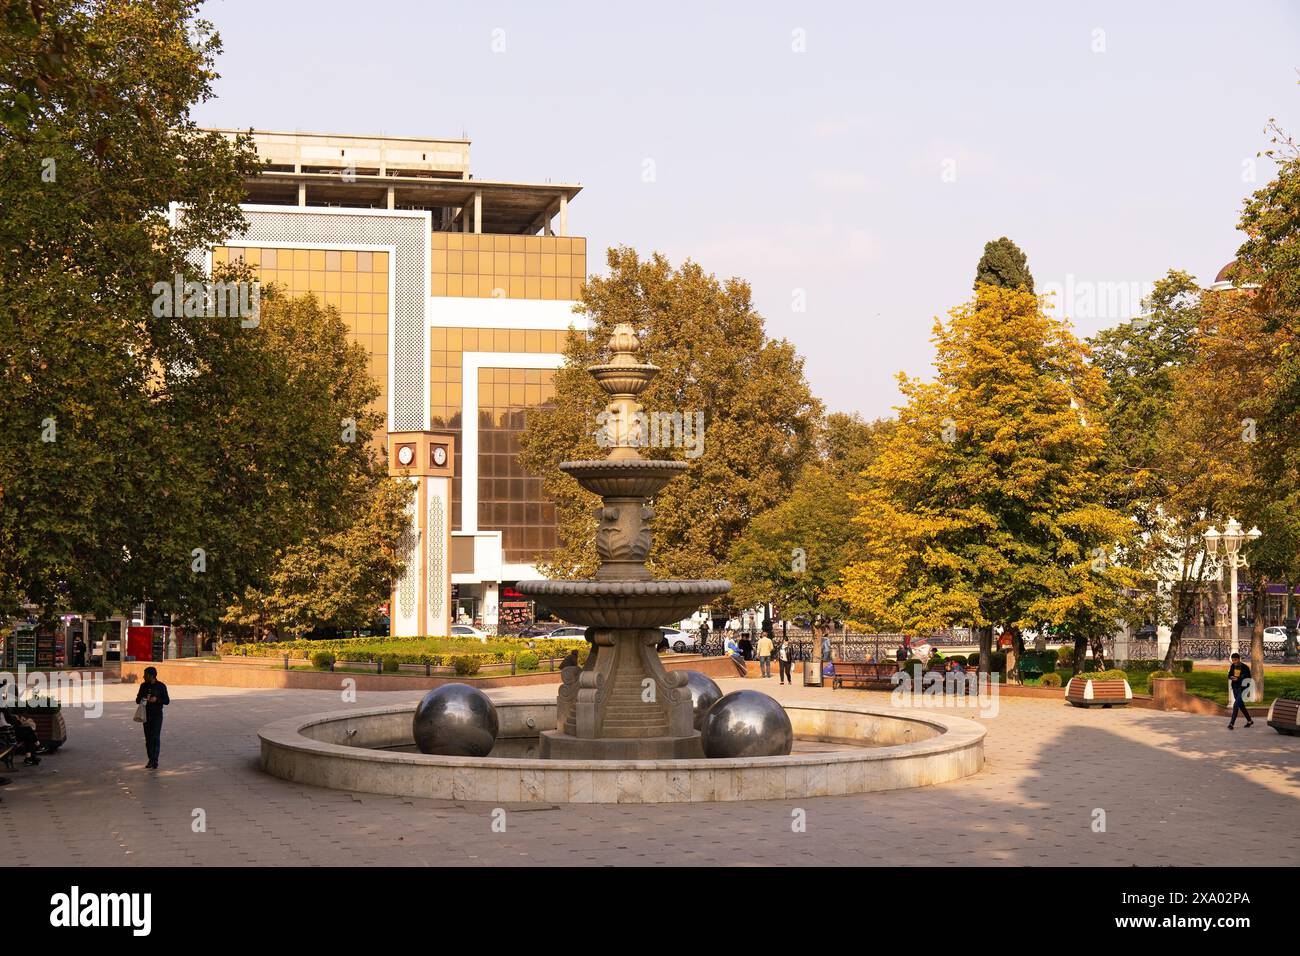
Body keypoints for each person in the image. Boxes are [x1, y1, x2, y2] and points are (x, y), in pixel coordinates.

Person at [135, 666, 170, 769]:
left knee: (155, 737)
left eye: (145, 674)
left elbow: (167, 701)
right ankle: (150, 759)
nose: (143, 676)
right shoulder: (143, 686)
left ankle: (155, 760)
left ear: (151, 675)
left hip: (157, 715)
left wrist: (157, 700)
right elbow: (137, 700)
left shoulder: (161, 686)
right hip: (146, 715)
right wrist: (144, 698)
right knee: (148, 738)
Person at [1227, 653, 1254, 730]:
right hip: (1235, 688)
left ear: (1239, 659)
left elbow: (1248, 679)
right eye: (1233, 660)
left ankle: (1231, 723)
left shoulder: (1245, 667)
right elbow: (1229, 675)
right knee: (1241, 706)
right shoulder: (1232, 666)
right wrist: (1231, 677)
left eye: (1235, 660)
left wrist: (1238, 679)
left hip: (1243, 689)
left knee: (1236, 705)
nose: (1234, 662)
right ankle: (1249, 721)